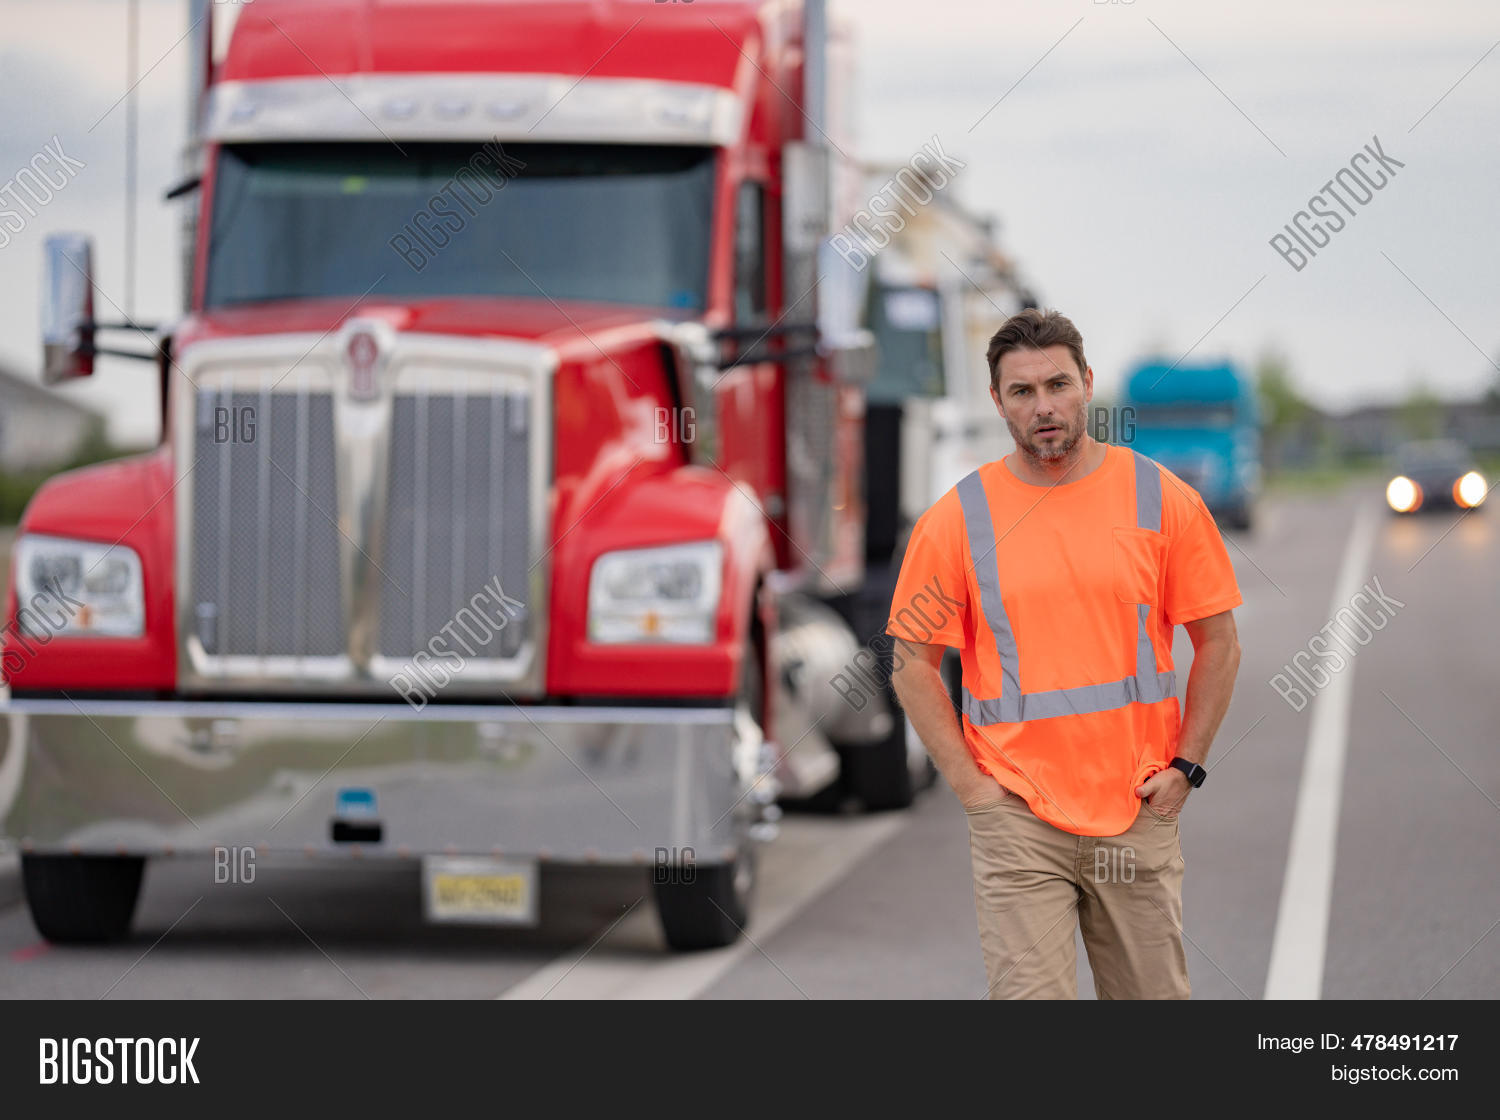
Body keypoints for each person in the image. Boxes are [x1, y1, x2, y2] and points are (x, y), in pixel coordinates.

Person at [888, 308, 1242, 999]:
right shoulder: (960, 518)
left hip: (1136, 808)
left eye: (1057, 385)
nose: (1043, 407)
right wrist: (973, 790)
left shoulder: (1159, 498)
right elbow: (911, 662)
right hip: (1018, 817)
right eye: (1022, 392)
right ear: (997, 402)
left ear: (1086, 383)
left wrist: (1187, 767)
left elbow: (1219, 642)